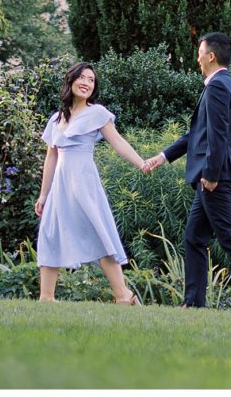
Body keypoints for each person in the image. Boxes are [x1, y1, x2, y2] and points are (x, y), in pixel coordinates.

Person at [145, 32, 231, 312]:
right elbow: (198, 134)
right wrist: (162, 157)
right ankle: (193, 303)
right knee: (194, 236)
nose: (197, 58)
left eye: (199, 53)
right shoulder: (224, 85)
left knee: (230, 238)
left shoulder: (218, 87)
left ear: (211, 56)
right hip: (214, 177)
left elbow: (218, 136)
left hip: (215, 178)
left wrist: (210, 174)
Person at [35, 60, 149, 304]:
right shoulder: (56, 119)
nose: (86, 83)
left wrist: (141, 163)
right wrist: (43, 194)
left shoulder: (97, 113)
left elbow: (118, 142)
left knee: (98, 232)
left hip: (84, 183)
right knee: (50, 233)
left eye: (91, 80)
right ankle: (46, 297)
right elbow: (51, 157)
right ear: (71, 80)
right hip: (60, 186)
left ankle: (124, 295)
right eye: (82, 78)